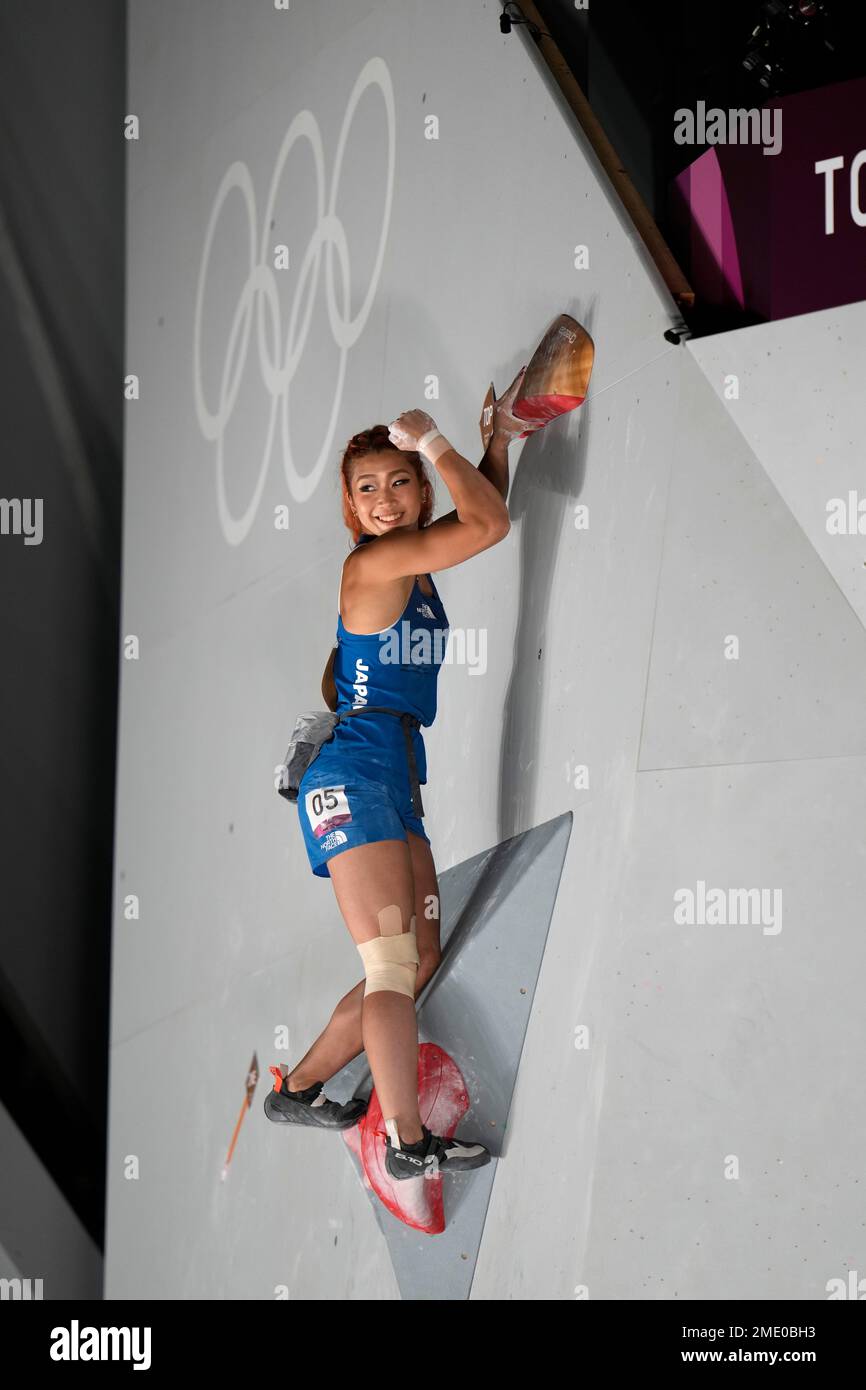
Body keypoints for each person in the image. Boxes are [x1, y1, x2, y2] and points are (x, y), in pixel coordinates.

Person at [266, 369, 533, 1180]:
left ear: (419, 496)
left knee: (417, 961)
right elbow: (490, 527)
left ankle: (304, 1086)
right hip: (353, 772)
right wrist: (436, 440)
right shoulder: (375, 566)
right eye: (366, 489)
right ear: (352, 506)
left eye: (399, 483)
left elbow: (479, 509)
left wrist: (493, 445)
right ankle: (407, 1143)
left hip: (388, 769)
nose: (383, 499)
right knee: (391, 965)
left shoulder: (410, 558)